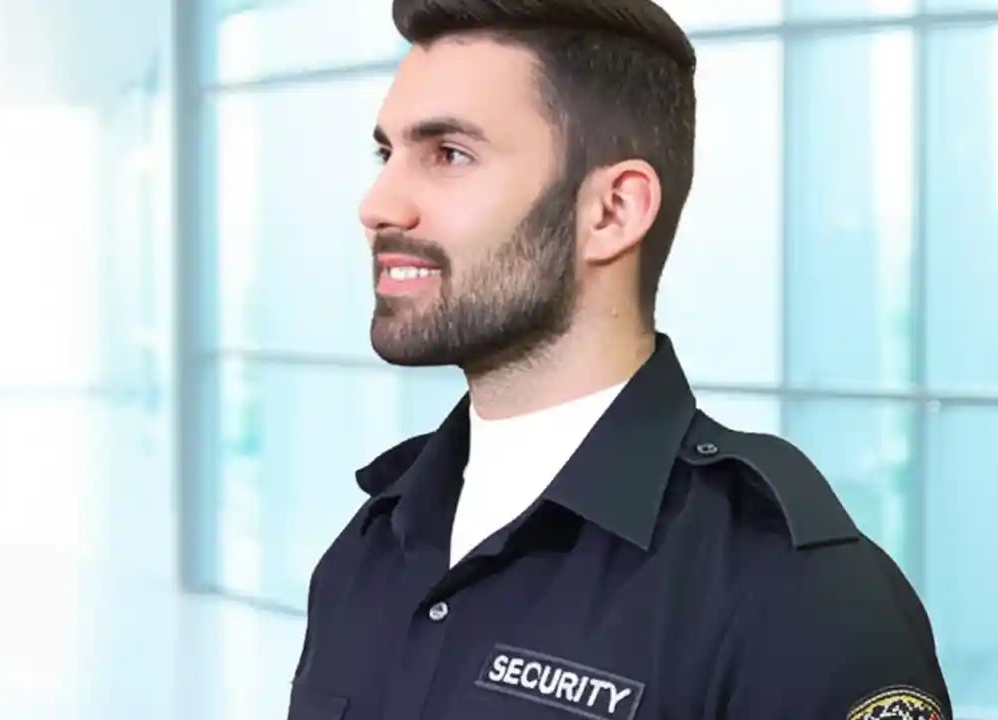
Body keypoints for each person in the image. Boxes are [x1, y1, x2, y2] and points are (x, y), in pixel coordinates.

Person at [288, 1, 951, 719]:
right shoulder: (367, 552)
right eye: (388, 154)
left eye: (449, 154)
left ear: (612, 211)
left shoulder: (799, 598)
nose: (378, 204)